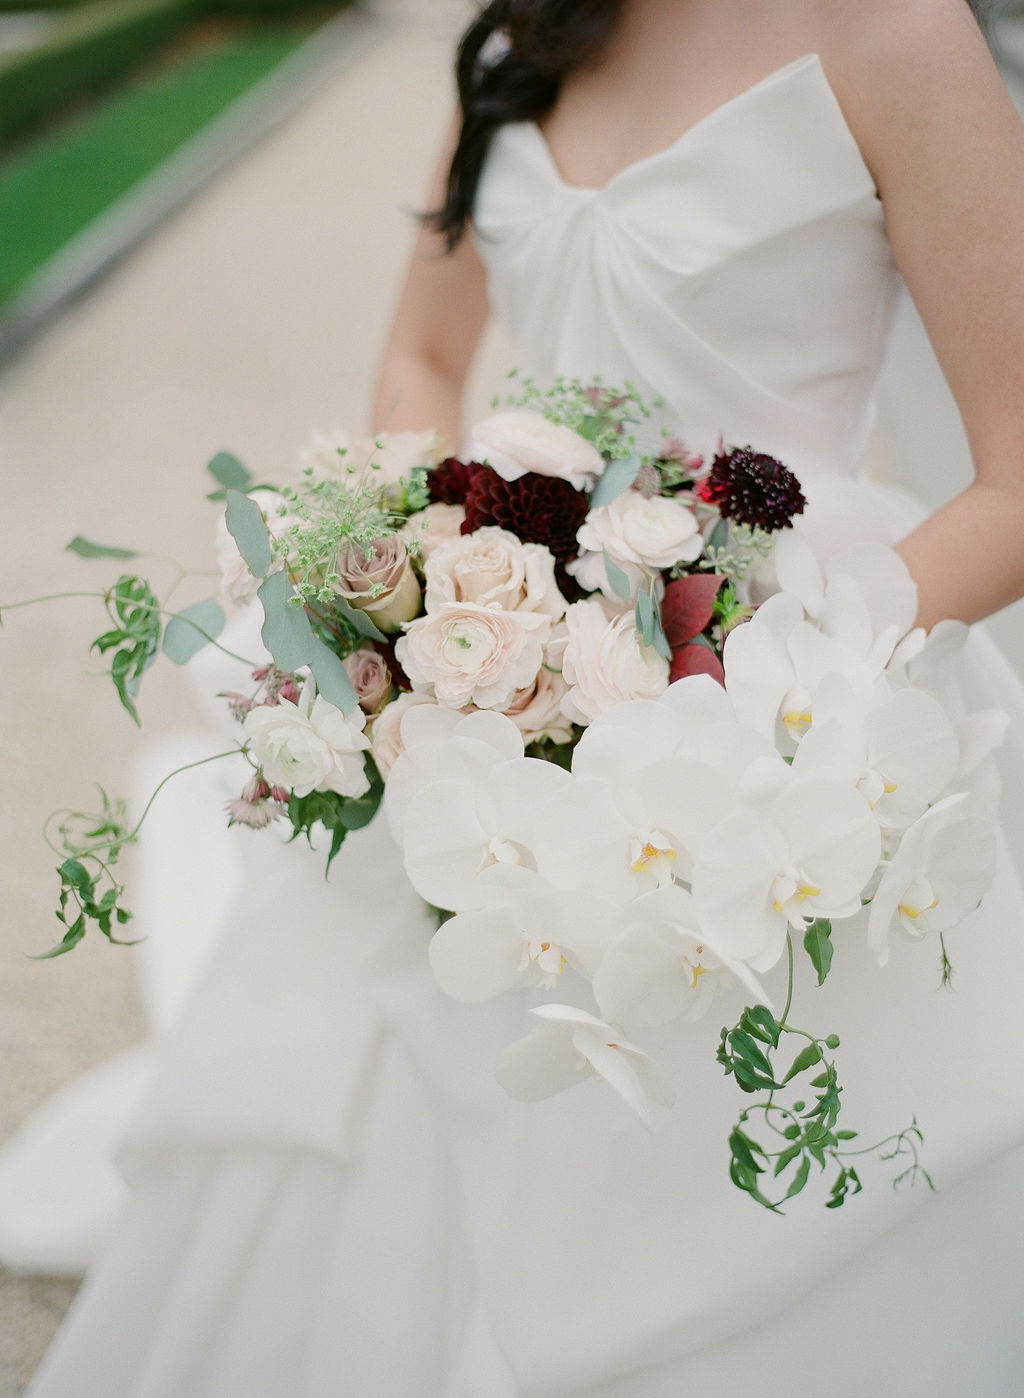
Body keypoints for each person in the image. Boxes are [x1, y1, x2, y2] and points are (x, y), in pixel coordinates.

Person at [16, 0, 1024, 1392]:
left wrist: (765, 672)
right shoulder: (521, 36)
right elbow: (427, 353)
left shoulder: (895, 36)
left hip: (781, 673)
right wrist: (411, 575)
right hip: (494, 645)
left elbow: (1018, 473)